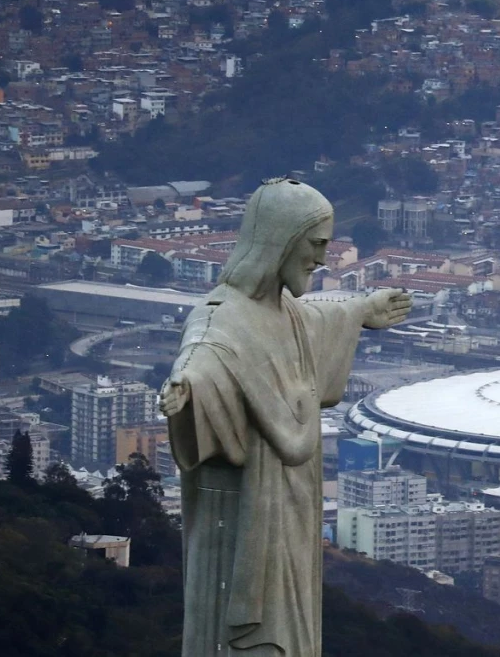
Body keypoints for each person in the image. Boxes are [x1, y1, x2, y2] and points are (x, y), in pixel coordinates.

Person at [159, 178, 412, 656]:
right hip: (240, 512)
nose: (322, 258)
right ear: (280, 239)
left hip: (291, 507)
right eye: (315, 244)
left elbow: (318, 317)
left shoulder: (285, 312)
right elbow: (203, 354)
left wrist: (362, 309)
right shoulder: (223, 315)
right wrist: (185, 388)